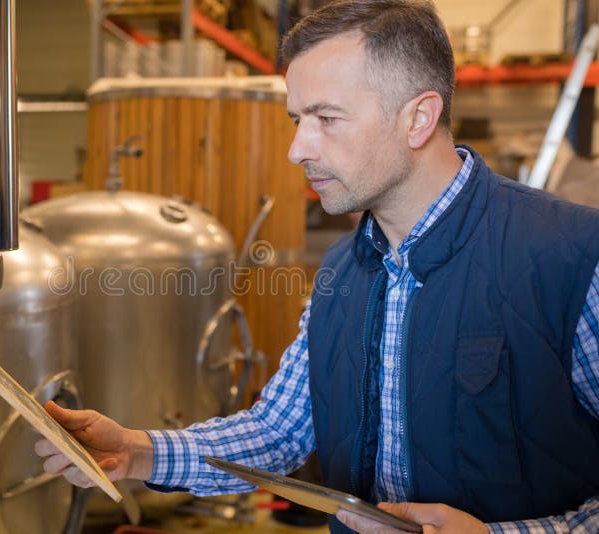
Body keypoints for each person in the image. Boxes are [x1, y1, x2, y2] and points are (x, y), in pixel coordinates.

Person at [35, 1, 599, 532]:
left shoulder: (572, 257)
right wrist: (136, 450)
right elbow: (277, 430)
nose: (297, 149)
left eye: (326, 118)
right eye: (296, 119)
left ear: (419, 118)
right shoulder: (344, 270)